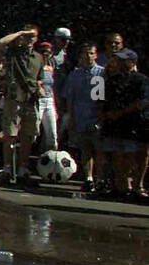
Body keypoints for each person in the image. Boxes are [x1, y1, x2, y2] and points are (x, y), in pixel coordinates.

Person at [0, 25, 44, 188]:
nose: (29, 39)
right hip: (14, 97)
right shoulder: (13, 52)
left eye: (33, 36)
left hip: (30, 99)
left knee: (28, 135)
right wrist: (20, 33)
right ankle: (7, 168)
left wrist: (40, 88)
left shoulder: (38, 57)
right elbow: (1, 42)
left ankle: (23, 169)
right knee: (10, 134)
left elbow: (39, 78)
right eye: (27, 36)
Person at [99, 49, 148, 201]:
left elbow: (142, 102)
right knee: (117, 156)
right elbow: (102, 100)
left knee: (132, 156)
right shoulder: (111, 80)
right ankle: (120, 186)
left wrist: (120, 112)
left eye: (123, 60)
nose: (119, 63)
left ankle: (135, 186)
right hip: (115, 125)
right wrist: (105, 115)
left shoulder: (142, 80)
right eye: (118, 60)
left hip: (134, 125)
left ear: (132, 62)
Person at [58, 42, 103, 192]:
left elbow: (101, 97)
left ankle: (100, 178)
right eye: (85, 53)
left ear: (96, 55)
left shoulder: (101, 73)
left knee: (99, 149)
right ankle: (88, 178)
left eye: (91, 53)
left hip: (96, 116)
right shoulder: (75, 74)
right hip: (80, 115)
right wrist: (71, 117)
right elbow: (69, 97)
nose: (88, 56)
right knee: (85, 149)